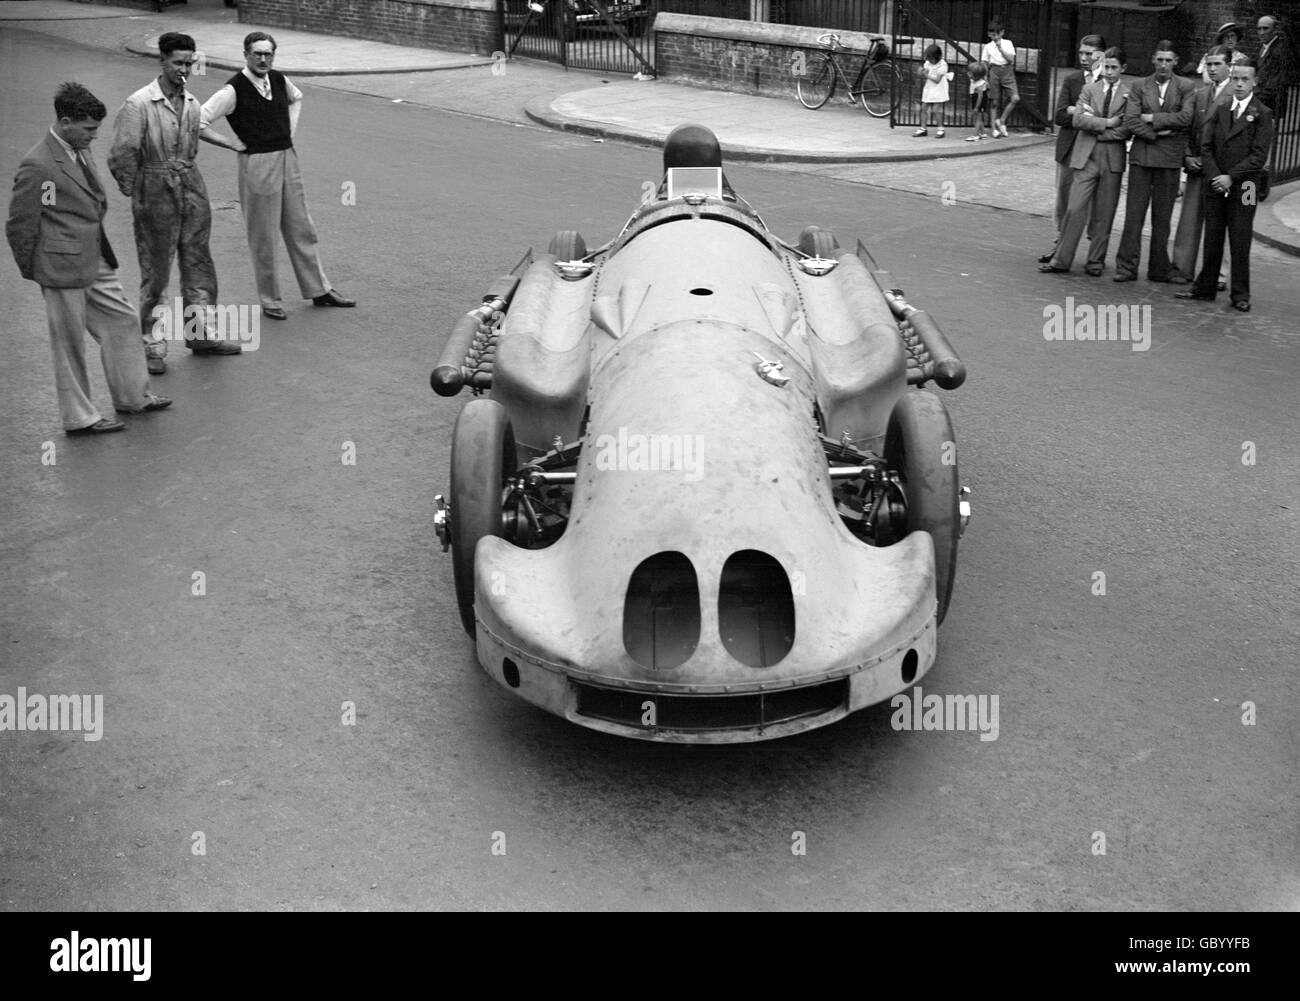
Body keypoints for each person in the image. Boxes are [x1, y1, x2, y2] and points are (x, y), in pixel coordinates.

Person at [6, 82, 171, 434]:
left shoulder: (77, 148)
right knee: (68, 344)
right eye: (89, 129)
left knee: (123, 319)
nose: (95, 136)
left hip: (95, 255)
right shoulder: (38, 165)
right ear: (65, 122)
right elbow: (21, 224)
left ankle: (133, 397)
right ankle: (79, 418)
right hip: (60, 267)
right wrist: (39, 271)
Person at [108, 32, 239, 375]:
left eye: (189, 63)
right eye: (178, 62)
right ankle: (152, 344)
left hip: (191, 186)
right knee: (157, 273)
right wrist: (140, 193)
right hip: (155, 189)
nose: (184, 69)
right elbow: (122, 154)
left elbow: (193, 139)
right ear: (162, 61)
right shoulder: (139, 104)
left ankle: (201, 336)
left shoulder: (193, 104)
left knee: (199, 264)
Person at [199, 32, 354, 320]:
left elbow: (297, 98)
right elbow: (198, 120)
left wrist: (288, 131)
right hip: (257, 163)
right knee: (264, 235)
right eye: (257, 53)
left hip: (287, 158)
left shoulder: (280, 80)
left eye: (268, 54)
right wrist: (231, 143)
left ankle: (319, 289)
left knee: (302, 228)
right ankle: (270, 299)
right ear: (246, 54)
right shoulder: (233, 90)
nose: (263, 59)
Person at [1177, 59, 1273, 312]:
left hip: (1247, 186)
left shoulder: (1262, 113)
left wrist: (1231, 176)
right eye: (1236, 78)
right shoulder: (1221, 108)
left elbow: (1258, 156)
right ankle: (1205, 287)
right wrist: (1215, 176)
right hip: (1217, 182)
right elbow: (1206, 146)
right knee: (1213, 236)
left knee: (1241, 239)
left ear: (1255, 82)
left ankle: (1241, 294)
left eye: (1245, 79)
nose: (1239, 84)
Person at [1040, 48, 1132, 276]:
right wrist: (1109, 123)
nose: (1109, 72)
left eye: (1114, 68)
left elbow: (1127, 129)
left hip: (1112, 159)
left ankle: (1095, 262)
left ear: (1123, 69)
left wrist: (1099, 127)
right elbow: (1079, 119)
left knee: (1104, 212)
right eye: (1107, 67)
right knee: (1074, 208)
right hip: (1086, 158)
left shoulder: (1129, 95)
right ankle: (1061, 260)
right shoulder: (1088, 89)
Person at [1113, 41, 1196, 282]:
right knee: (1133, 216)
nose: (1163, 64)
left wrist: (1153, 118)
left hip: (1169, 162)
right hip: (1141, 159)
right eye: (1159, 59)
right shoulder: (1139, 85)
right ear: (1152, 60)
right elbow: (1130, 120)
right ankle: (1126, 267)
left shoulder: (1186, 86)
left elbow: (1186, 118)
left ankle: (1159, 269)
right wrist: (1157, 133)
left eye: (1168, 60)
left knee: (1162, 219)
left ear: (1176, 62)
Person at [1169, 46, 1233, 286]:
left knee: (1218, 223)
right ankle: (1182, 268)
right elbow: (1186, 128)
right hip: (1197, 167)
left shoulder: (1235, 94)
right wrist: (1187, 156)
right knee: (1189, 220)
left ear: (1229, 66)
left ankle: (1218, 275)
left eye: (1218, 64)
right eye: (1209, 64)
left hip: (1220, 170)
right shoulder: (1199, 94)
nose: (1213, 69)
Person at [1040, 34, 1105, 262]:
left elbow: (1110, 115)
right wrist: (1082, 114)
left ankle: (1095, 254)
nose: (1084, 58)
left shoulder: (1109, 80)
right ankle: (1060, 243)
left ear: (1101, 55)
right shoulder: (1072, 79)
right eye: (1081, 53)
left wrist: (1076, 111)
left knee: (1095, 203)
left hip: (1096, 150)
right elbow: (1059, 115)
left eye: (1090, 54)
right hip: (1070, 148)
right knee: (1064, 198)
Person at [981, 21, 1019, 137]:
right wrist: (985, 78)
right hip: (994, 71)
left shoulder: (1008, 43)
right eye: (992, 35)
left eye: (997, 34)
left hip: (1007, 71)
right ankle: (993, 128)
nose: (995, 37)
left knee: (1015, 98)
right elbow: (985, 63)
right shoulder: (987, 47)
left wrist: (1000, 48)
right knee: (994, 102)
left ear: (1002, 33)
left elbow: (1010, 59)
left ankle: (1002, 121)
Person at [1255, 14, 1296, 119]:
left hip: (1271, 104)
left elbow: (1276, 81)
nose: (1262, 32)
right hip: (1261, 101)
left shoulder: (1281, 49)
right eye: (1259, 29)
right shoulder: (1264, 47)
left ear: (1274, 29)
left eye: (1265, 28)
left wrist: (1255, 98)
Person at [914, 44, 950, 138]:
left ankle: (941, 129)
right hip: (929, 87)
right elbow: (923, 73)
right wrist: (920, 72)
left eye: (931, 58)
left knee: (936, 110)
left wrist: (926, 75)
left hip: (938, 88)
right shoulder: (928, 63)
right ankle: (923, 128)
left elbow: (937, 80)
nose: (929, 60)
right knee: (924, 108)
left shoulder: (943, 65)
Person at [964, 61, 989, 142]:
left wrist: (976, 107)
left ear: (976, 75)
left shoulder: (980, 84)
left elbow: (980, 97)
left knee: (977, 118)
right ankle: (983, 133)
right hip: (975, 98)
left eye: (970, 73)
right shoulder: (974, 80)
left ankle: (975, 135)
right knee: (979, 118)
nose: (968, 74)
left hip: (979, 101)